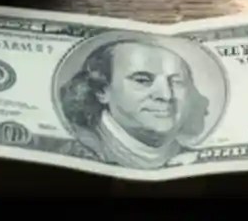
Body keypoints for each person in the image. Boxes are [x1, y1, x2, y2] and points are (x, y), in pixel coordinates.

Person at [58, 37, 210, 169]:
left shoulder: (190, 157)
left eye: (176, 81)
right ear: (102, 91)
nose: (166, 95)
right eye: (142, 80)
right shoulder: (74, 154)